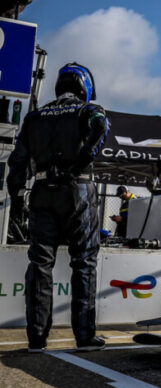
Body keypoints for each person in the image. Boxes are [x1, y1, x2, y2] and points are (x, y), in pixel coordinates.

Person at [6, 62, 109, 353]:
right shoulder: (88, 110)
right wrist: (79, 162)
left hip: (41, 193)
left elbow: (17, 162)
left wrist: (17, 196)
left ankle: (36, 339)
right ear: (84, 87)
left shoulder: (34, 116)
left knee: (40, 264)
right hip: (78, 190)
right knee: (84, 261)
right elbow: (101, 128)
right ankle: (85, 336)